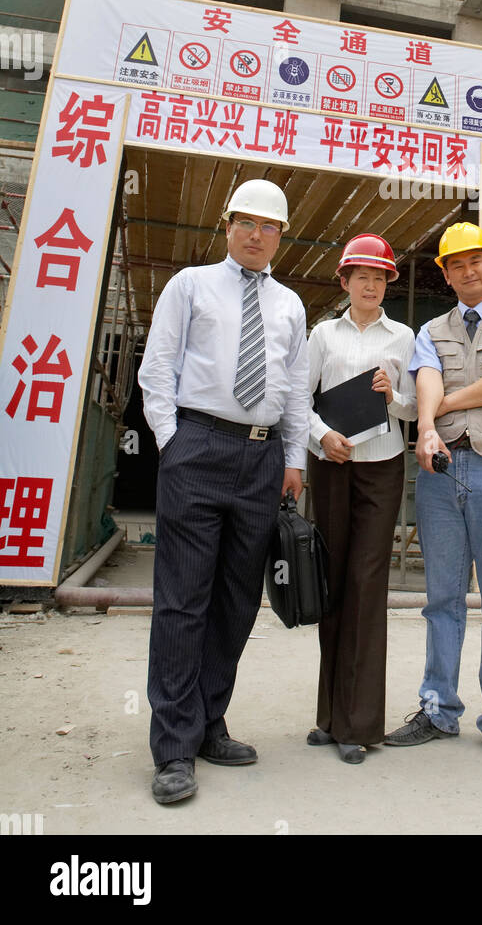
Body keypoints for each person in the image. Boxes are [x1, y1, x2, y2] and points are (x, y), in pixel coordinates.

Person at [139, 178, 309, 805]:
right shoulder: (190, 286)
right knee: (183, 600)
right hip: (198, 446)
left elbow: (294, 387)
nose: (256, 234)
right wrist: (169, 441)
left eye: (268, 226)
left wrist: (293, 458)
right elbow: (157, 367)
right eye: (245, 222)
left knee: (237, 600)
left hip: (262, 460)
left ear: (281, 236)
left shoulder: (291, 305)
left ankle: (211, 721)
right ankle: (174, 747)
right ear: (228, 226)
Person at [384, 222, 482, 765]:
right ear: (446, 274)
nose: (467, 270)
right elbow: (427, 379)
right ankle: (437, 708)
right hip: (442, 470)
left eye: (476, 260)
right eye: (456, 264)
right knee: (442, 598)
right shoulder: (431, 330)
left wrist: (445, 408)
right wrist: (427, 426)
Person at [305, 234, 416, 765]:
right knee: (331, 581)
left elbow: (416, 409)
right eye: (361, 276)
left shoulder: (404, 337)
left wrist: (392, 395)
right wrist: (319, 437)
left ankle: (359, 723)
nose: (370, 285)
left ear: (387, 283)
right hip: (331, 464)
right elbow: (296, 399)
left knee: (367, 585)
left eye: (379, 277)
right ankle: (329, 716)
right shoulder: (323, 334)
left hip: (382, 466)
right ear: (345, 281)